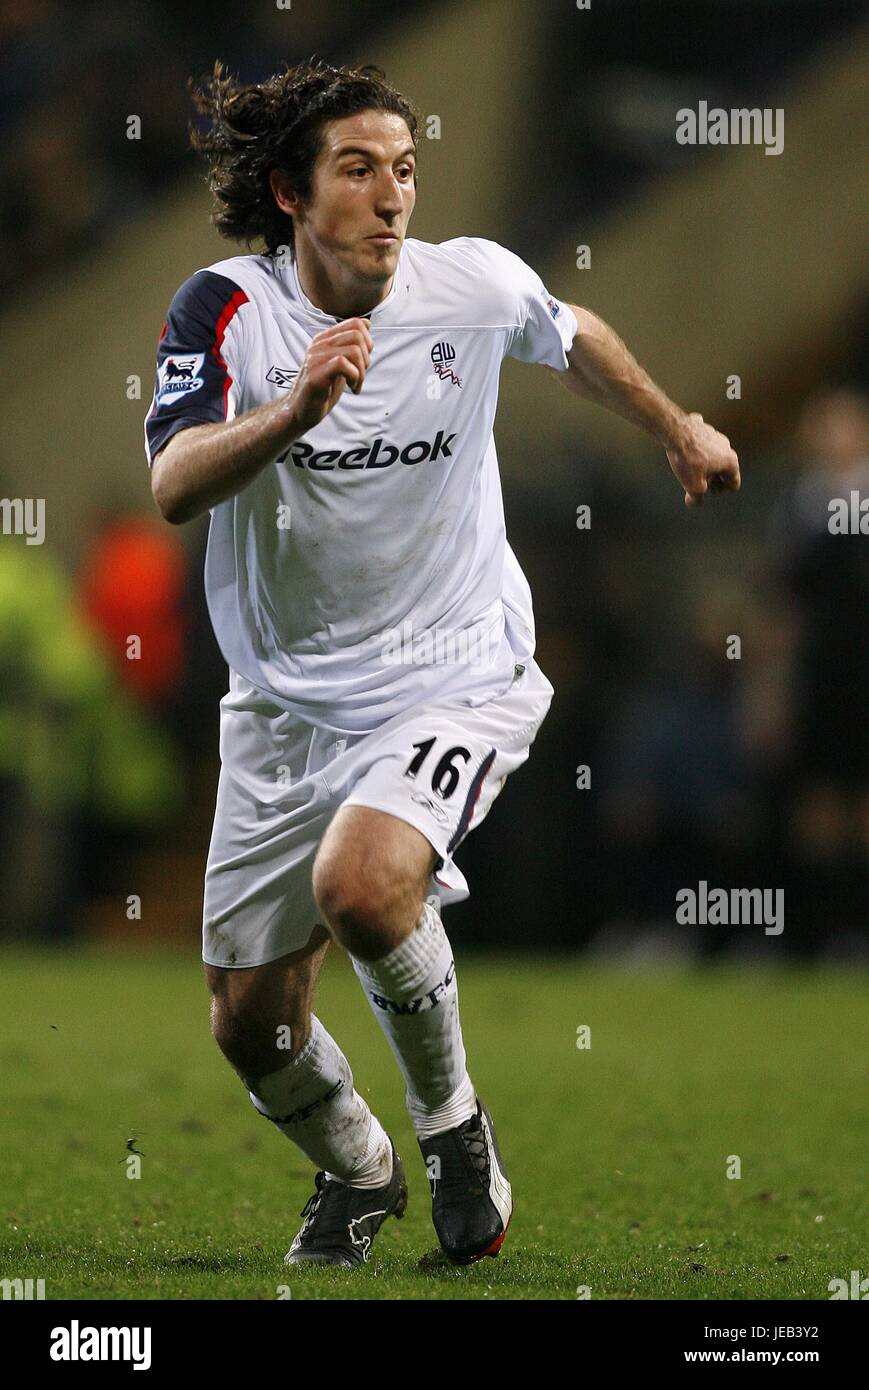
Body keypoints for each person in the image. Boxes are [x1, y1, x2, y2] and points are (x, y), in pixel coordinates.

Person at [144, 58, 740, 1269]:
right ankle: (361, 1167)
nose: (390, 197)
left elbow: (570, 337)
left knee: (363, 886)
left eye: (404, 169)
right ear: (291, 194)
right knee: (247, 1027)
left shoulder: (466, 284)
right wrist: (291, 416)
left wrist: (676, 425)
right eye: (356, 171)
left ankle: (455, 1134)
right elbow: (170, 480)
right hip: (282, 703)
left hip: (451, 665)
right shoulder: (224, 310)